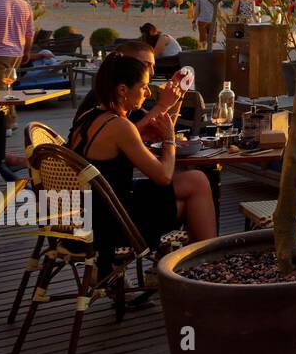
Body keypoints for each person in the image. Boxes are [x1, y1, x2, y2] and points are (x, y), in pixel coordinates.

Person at [66, 53, 216, 269]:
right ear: (122, 90)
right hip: (113, 221)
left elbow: (151, 133)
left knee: (196, 183)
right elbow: (163, 176)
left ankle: (197, 267)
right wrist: (169, 141)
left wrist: (177, 98)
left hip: (97, 209)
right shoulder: (120, 127)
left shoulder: (91, 116)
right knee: (198, 187)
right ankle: (206, 266)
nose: (147, 92)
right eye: (144, 86)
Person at [0, 0, 34, 179]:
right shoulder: (24, 5)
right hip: (15, 53)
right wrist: (26, 52)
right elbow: (29, 33)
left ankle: (3, 127)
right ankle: (9, 122)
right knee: (7, 90)